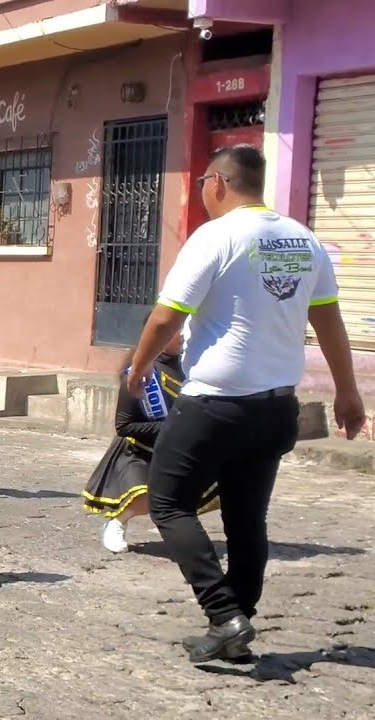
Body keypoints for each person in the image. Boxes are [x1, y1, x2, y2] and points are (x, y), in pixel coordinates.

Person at [127, 144, 365, 663]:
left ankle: (223, 612)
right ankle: (237, 626)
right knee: (246, 517)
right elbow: (328, 321)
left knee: (168, 502)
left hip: (215, 404)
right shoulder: (304, 240)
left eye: (202, 185)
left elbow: (167, 316)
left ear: (217, 182)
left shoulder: (216, 236)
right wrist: (348, 393)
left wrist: (141, 364)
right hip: (277, 408)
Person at [84, 331, 218, 553]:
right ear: (160, 339)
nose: (184, 336)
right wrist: (172, 427)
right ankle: (118, 522)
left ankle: (178, 525)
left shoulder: (191, 367)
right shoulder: (140, 375)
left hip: (178, 450)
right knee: (148, 493)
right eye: (177, 331)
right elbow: (125, 426)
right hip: (138, 451)